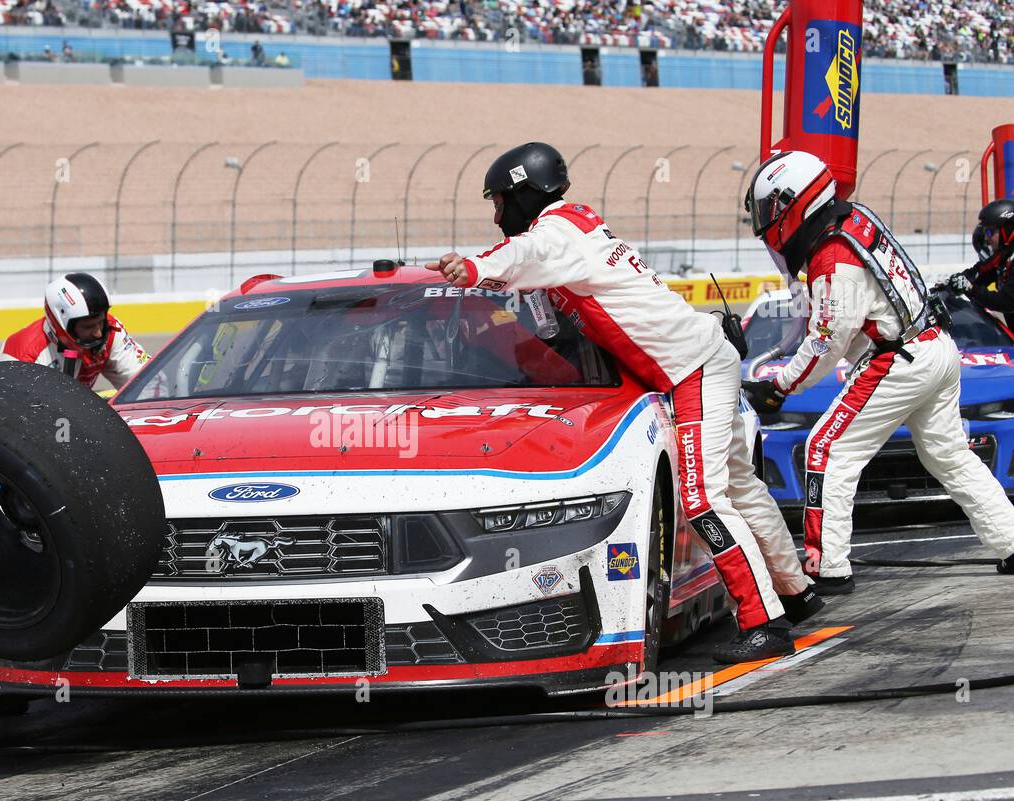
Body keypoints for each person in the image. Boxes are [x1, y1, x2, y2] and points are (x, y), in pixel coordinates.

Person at [426, 142, 819, 664]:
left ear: (524, 191)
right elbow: (549, 322)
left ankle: (762, 622)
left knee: (704, 502)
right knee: (741, 491)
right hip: (701, 359)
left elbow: (524, 256)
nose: (496, 213)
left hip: (692, 368)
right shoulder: (571, 231)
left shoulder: (556, 231)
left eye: (499, 200)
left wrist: (472, 268)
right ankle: (795, 592)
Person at [743, 150, 1014, 590]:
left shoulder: (833, 256)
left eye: (769, 211)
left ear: (795, 202)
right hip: (936, 346)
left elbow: (827, 341)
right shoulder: (855, 218)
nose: (765, 224)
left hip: (899, 357)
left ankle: (826, 566)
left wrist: (779, 386)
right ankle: (1012, 540)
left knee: (826, 450)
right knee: (950, 456)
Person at [0, 272, 149, 390]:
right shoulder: (22, 359)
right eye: (88, 327)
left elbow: (148, 383)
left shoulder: (110, 329)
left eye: (100, 322)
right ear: (60, 326)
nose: (98, 333)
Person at [946, 199, 1014, 325]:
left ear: (1008, 230)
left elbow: (1007, 301)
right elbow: (980, 273)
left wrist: (971, 289)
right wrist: (952, 284)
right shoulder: (1004, 258)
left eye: (990, 232)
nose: (987, 238)